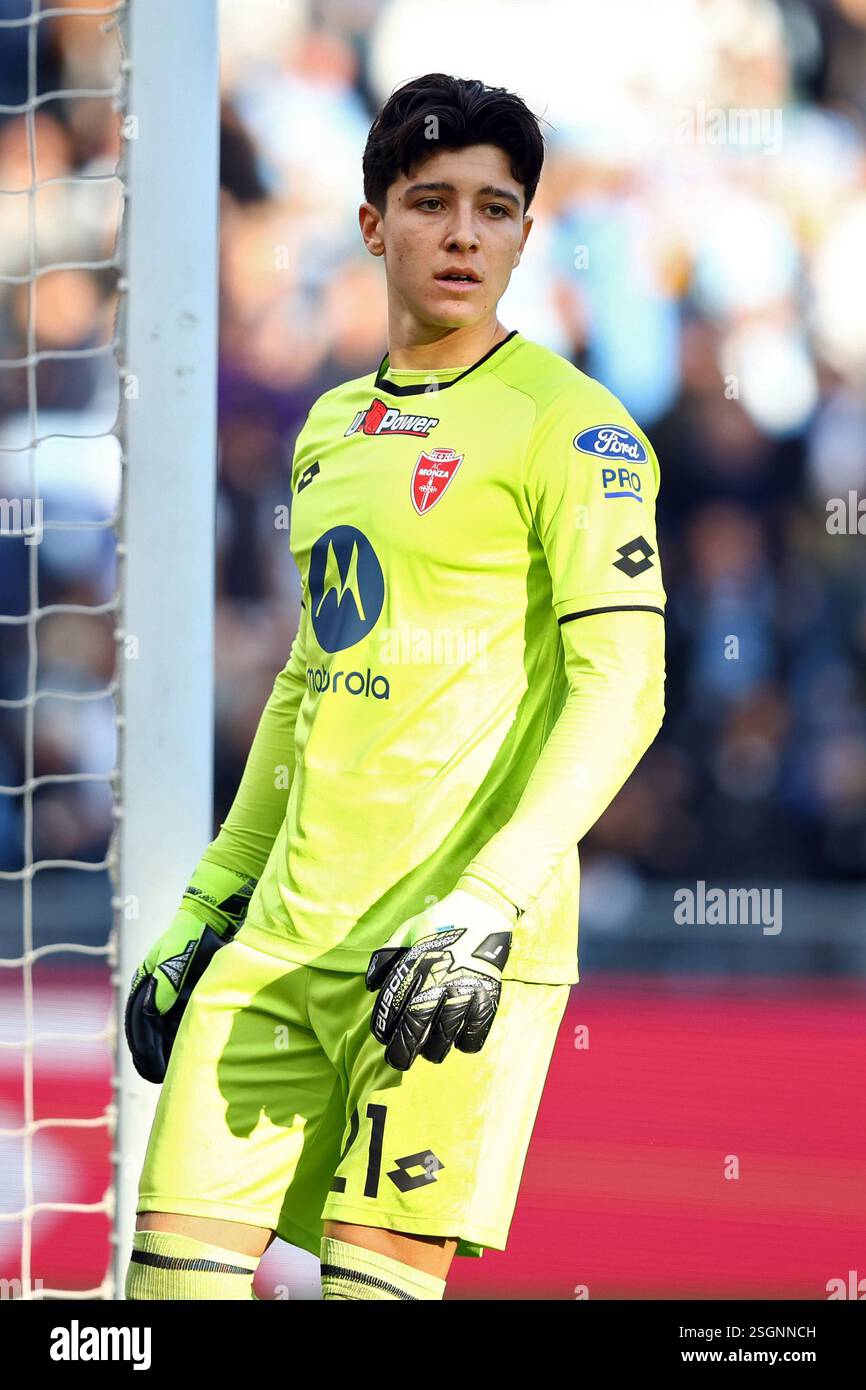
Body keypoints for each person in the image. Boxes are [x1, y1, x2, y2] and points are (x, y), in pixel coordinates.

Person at [124, 72, 666, 1302]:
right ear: (374, 225)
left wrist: (485, 902)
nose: (463, 233)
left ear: (529, 230)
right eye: (430, 202)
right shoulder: (327, 429)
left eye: (493, 206)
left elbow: (622, 687)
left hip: (440, 953)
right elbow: (313, 676)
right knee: (158, 1304)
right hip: (276, 947)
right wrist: (214, 896)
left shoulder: (575, 432)